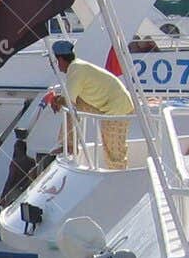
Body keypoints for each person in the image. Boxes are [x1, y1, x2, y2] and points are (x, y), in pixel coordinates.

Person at [48, 39, 134, 170]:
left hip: (118, 108)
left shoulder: (75, 69)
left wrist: (56, 101)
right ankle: (69, 143)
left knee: (113, 151)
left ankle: (119, 176)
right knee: (71, 108)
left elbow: (68, 100)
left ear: (59, 60)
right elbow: (70, 101)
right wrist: (59, 100)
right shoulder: (77, 66)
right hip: (108, 105)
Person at [0, 130, 39, 206]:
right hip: (28, 190)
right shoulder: (32, 161)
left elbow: (10, 180)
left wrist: (3, 196)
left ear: (17, 149)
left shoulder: (15, 163)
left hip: (16, 191)